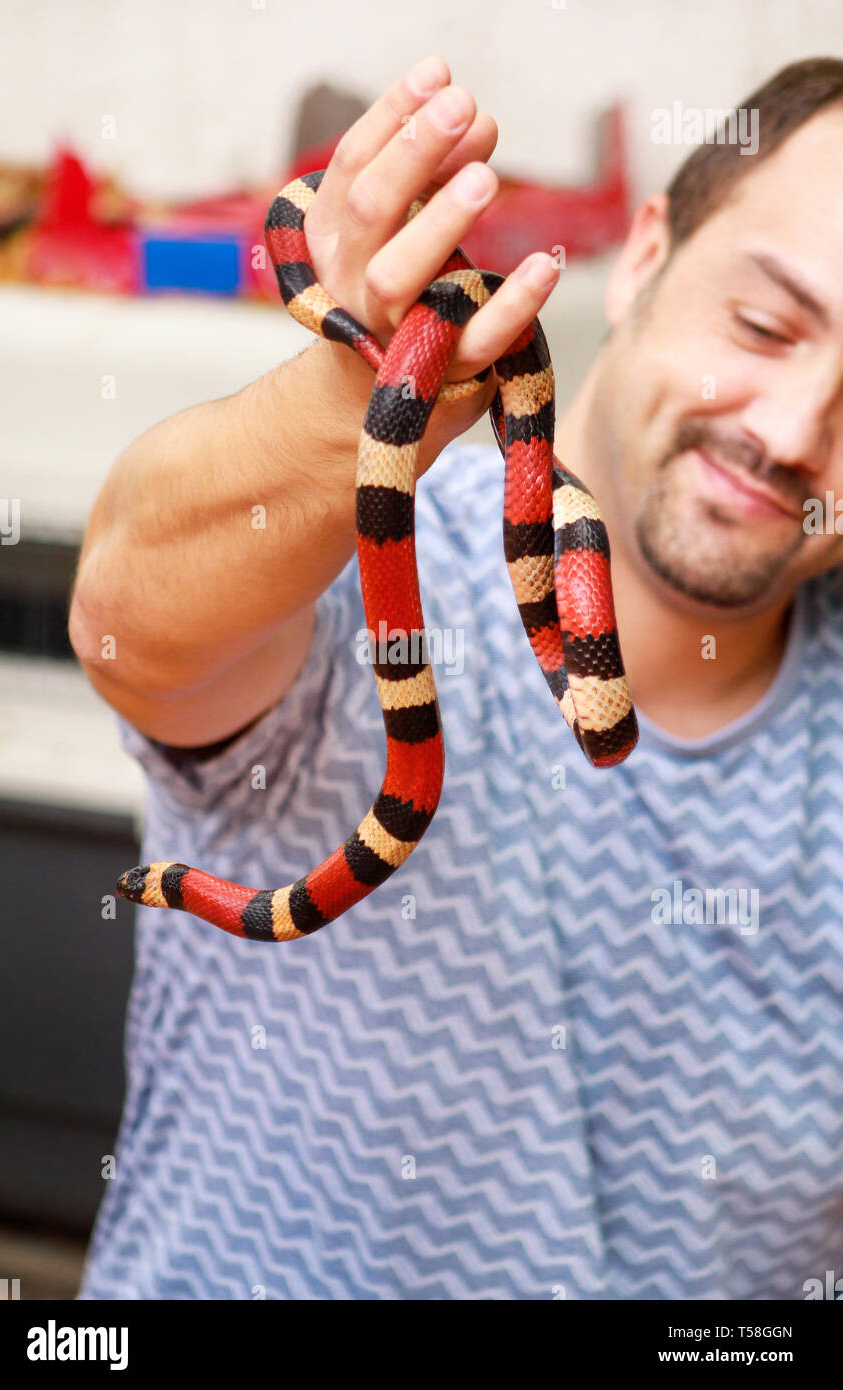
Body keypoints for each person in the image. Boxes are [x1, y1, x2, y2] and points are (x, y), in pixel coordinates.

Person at [70, 54, 843, 1300]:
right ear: (643, 252)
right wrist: (361, 390)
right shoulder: (359, 547)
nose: (796, 429)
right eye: (762, 323)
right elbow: (127, 619)